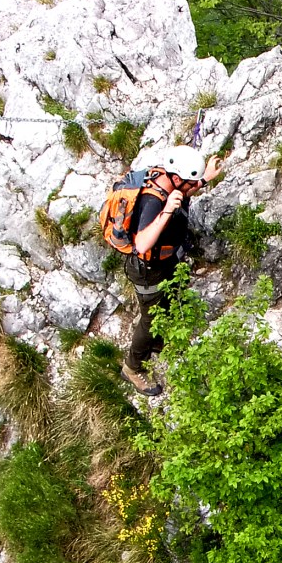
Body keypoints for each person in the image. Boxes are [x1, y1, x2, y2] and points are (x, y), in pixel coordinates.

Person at [121, 145, 222, 396]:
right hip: (148, 269)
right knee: (150, 319)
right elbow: (141, 244)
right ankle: (132, 367)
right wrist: (167, 211)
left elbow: (184, 191)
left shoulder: (170, 180)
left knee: (167, 301)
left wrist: (205, 179)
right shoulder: (153, 201)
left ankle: (157, 342)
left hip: (164, 262)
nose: (193, 186)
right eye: (191, 182)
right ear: (177, 178)